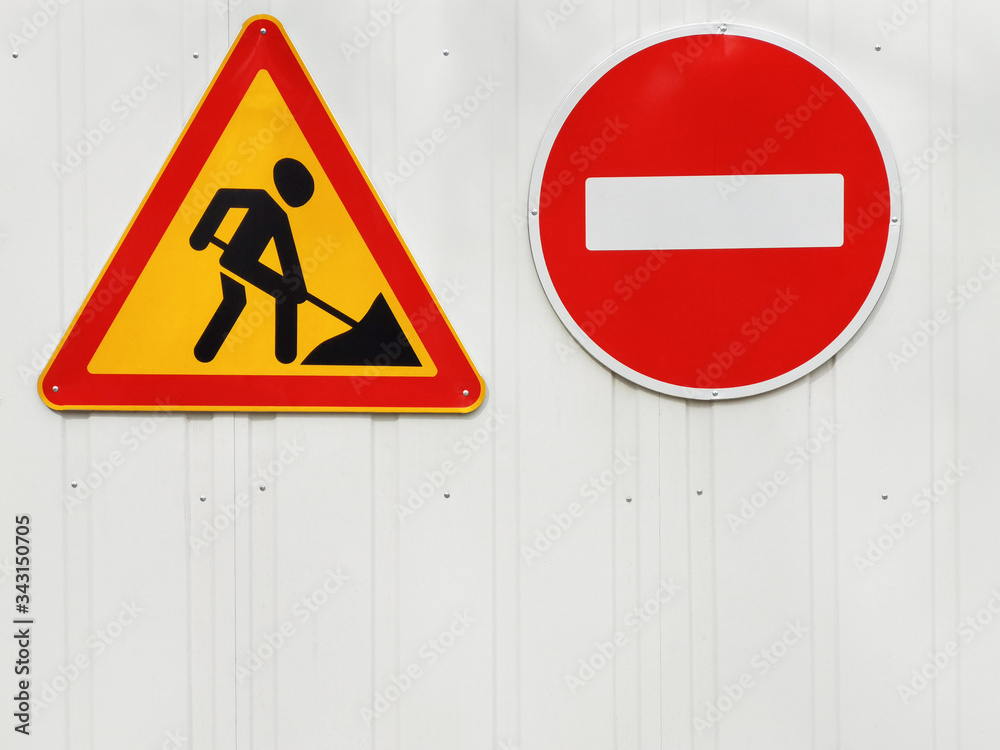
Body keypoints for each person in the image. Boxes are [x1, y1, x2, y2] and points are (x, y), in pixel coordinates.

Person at [189, 158, 314, 364]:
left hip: (241, 262)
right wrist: (202, 234)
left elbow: (288, 256)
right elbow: (223, 198)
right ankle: (285, 354)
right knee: (267, 296)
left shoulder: (278, 214)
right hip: (237, 260)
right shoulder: (263, 201)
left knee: (239, 300)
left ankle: (284, 355)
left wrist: (298, 287)